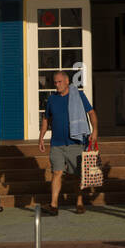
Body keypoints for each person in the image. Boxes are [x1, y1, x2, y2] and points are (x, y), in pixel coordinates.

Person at [38, 70, 98, 216]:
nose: (57, 85)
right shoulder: (52, 99)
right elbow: (46, 118)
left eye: (59, 82)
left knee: (76, 175)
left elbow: (91, 113)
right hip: (57, 143)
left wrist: (95, 131)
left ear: (66, 82)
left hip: (75, 142)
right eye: (55, 82)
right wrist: (41, 137)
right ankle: (53, 205)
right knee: (57, 172)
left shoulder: (78, 96)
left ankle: (79, 202)